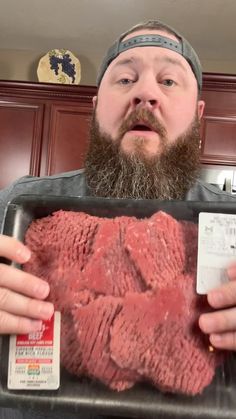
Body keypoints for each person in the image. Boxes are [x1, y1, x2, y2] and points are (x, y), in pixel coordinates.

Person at [0, 19, 236, 419]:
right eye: (125, 79)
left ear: (198, 117)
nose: (145, 93)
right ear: (94, 109)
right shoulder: (17, 204)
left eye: (168, 81)